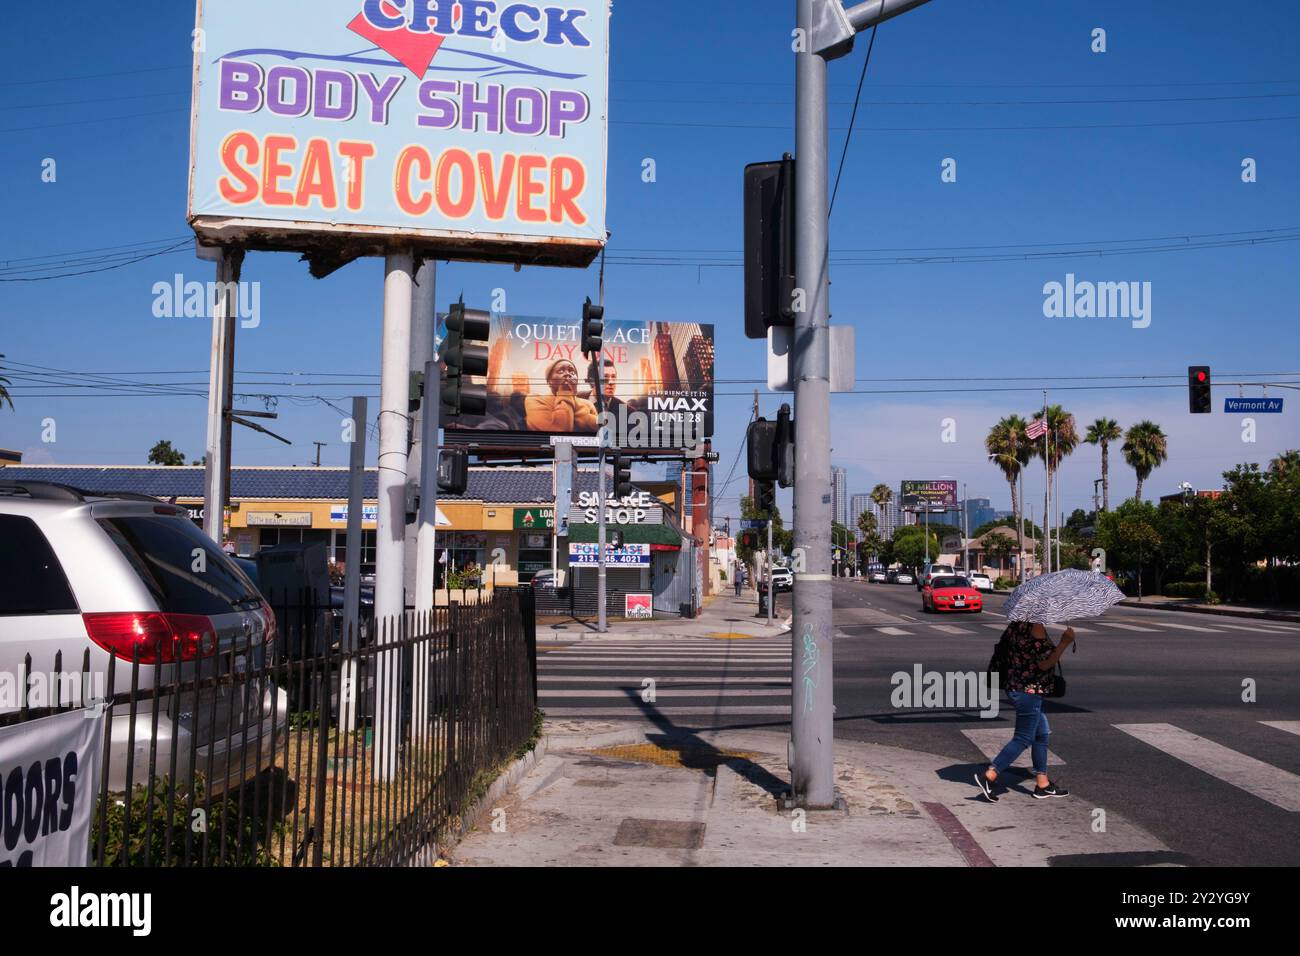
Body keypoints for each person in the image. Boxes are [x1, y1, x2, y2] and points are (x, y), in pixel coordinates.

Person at [975, 621, 1074, 802]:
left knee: (1041, 734)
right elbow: (1045, 664)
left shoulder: (1015, 626)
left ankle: (1042, 785)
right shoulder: (1035, 628)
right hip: (1028, 691)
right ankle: (989, 775)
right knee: (1023, 738)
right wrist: (1064, 643)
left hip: (1016, 687)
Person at [524, 359, 599, 432]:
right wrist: (565, 392)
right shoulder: (535, 399)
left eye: (572, 372)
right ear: (549, 380)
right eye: (560, 371)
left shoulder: (587, 403)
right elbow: (560, 429)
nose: (567, 374)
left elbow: (598, 428)